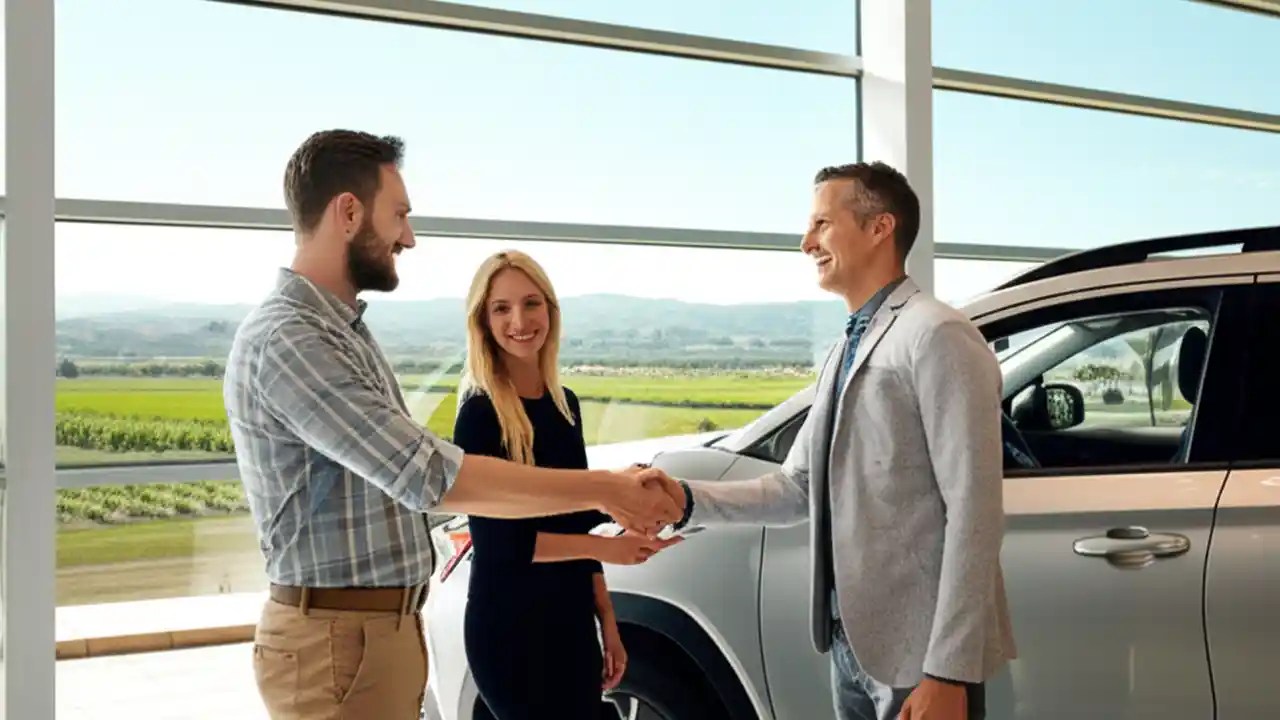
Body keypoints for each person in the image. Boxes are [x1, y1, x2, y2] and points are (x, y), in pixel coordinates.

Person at [222, 129, 683, 720]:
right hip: (340, 642)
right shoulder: (291, 338)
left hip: (371, 635)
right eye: (400, 215)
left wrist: (613, 508)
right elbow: (427, 476)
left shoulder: (342, 333)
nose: (407, 237)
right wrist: (607, 490)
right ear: (348, 212)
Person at [668, 162, 1016, 720]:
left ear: (880, 227)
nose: (807, 243)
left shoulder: (936, 334)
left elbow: (975, 511)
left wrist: (948, 672)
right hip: (852, 647)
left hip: (920, 659)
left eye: (822, 224)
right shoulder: (848, 346)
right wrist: (684, 500)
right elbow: (797, 487)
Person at [452, 250, 682, 720]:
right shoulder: (479, 414)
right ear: (483, 321)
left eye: (531, 303)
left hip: (570, 622)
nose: (520, 320)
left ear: (550, 311)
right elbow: (504, 546)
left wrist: (608, 621)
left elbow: (577, 515)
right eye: (502, 308)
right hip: (510, 630)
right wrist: (610, 549)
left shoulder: (565, 406)